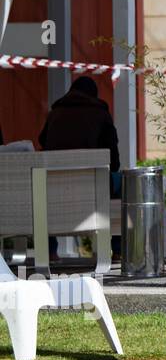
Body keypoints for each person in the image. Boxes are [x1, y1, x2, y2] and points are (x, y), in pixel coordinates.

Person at [40, 75, 124, 258]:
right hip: (95, 193)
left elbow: (43, 145)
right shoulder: (101, 114)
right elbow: (115, 163)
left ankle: (49, 251)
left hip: (54, 195)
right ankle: (117, 249)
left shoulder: (54, 114)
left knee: (42, 190)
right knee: (125, 183)